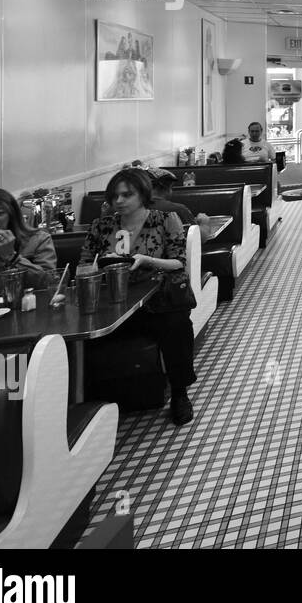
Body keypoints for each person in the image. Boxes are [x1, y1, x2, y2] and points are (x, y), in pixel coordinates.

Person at [80, 168, 197, 427]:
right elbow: (85, 265)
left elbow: (178, 262)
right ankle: (93, 402)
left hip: (157, 299)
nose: (119, 201)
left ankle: (180, 392)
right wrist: (99, 269)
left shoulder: (166, 220)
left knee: (176, 326)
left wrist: (145, 260)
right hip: (113, 301)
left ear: (143, 194)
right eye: (114, 196)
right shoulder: (101, 226)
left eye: (126, 195)